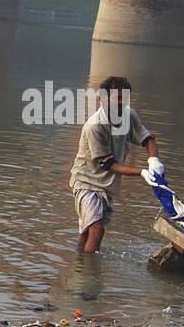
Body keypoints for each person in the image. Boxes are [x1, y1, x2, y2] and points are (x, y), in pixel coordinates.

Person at [69, 75, 163, 254]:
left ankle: (80, 261)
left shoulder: (129, 115)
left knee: (89, 229)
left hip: (107, 185)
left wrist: (154, 160)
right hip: (87, 182)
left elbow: (147, 138)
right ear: (104, 99)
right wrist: (142, 172)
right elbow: (108, 164)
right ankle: (88, 273)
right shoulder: (95, 125)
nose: (122, 102)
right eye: (117, 98)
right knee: (96, 227)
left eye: (125, 98)